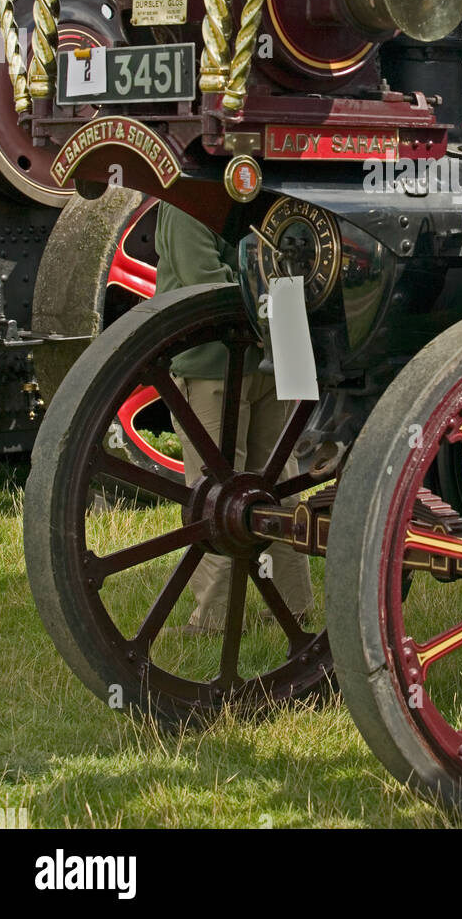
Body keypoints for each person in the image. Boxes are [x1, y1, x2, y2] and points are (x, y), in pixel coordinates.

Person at [154, 201, 313, 639]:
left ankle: (216, 619)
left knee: (216, 494)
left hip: (214, 365)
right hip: (276, 355)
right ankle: (291, 602)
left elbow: (204, 287)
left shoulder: (184, 202)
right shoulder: (267, 195)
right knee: (276, 484)